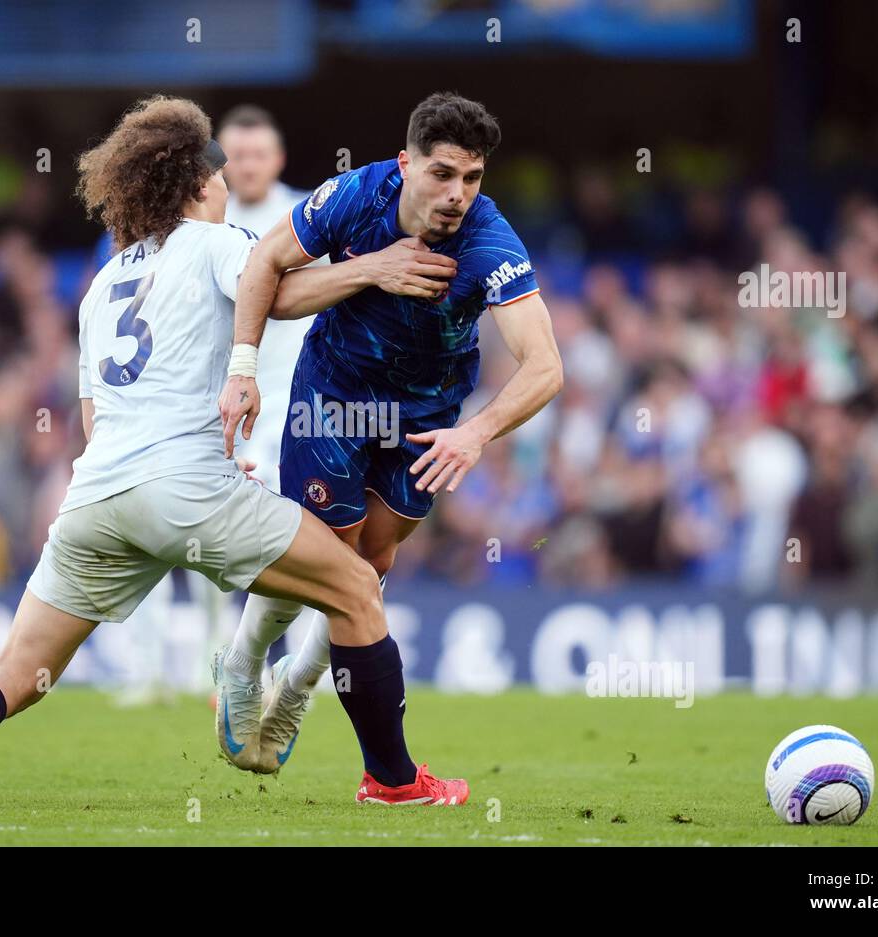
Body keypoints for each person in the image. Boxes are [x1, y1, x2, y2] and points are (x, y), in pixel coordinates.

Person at [0, 95, 468, 809]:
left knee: (15, 671)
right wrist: (375, 267)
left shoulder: (103, 284)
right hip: (185, 488)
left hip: (96, 498)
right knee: (358, 585)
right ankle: (393, 781)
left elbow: (92, 417)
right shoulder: (218, 241)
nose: (228, 181)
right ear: (199, 183)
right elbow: (279, 295)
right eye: (220, 172)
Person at [216, 92, 564, 803]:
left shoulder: (488, 243)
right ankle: (244, 664)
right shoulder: (354, 196)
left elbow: (546, 364)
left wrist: (475, 431)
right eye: (442, 173)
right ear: (406, 164)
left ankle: (301, 685)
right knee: (327, 555)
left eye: (472, 177)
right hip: (332, 401)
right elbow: (266, 276)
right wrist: (247, 365)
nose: (457, 193)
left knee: (370, 566)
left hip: (423, 421)